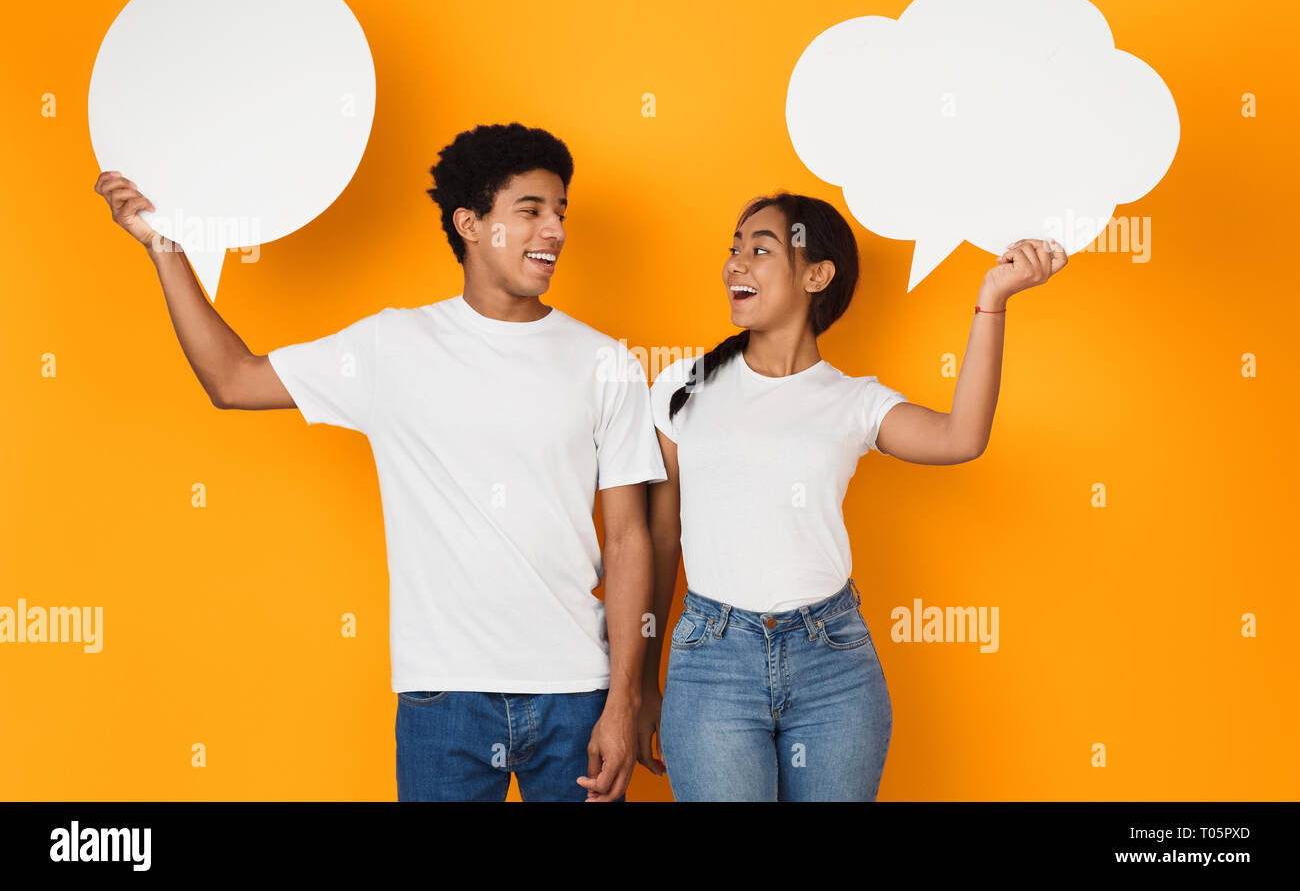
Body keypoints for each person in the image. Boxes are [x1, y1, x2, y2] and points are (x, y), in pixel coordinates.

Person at [94, 122, 665, 802]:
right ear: (470, 224)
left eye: (561, 212)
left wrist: (625, 702)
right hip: (442, 698)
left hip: (576, 692)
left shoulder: (605, 362)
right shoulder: (392, 347)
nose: (556, 231)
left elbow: (629, 539)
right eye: (531, 210)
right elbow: (232, 379)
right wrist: (164, 248)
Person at [638, 192, 1066, 800]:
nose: (736, 264)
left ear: (816, 275)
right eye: (734, 250)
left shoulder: (854, 400)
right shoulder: (682, 386)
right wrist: (641, 683)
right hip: (712, 662)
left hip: (832, 661)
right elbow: (661, 542)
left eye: (760, 250)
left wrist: (992, 298)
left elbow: (961, 437)